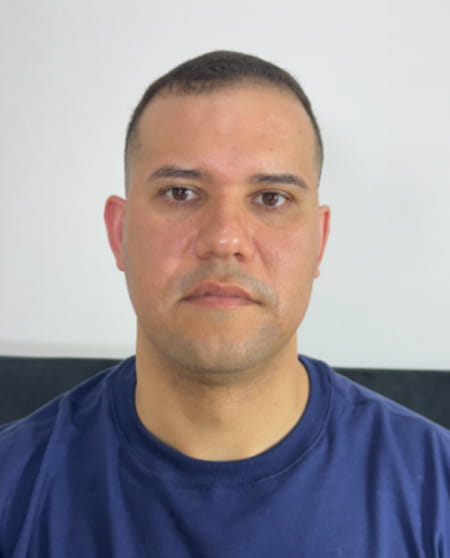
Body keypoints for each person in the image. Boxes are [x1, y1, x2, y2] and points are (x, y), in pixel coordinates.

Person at [0, 50, 449, 558]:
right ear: (118, 233)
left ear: (319, 242)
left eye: (271, 198)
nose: (224, 239)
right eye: (181, 192)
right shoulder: (12, 488)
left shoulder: (437, 494)